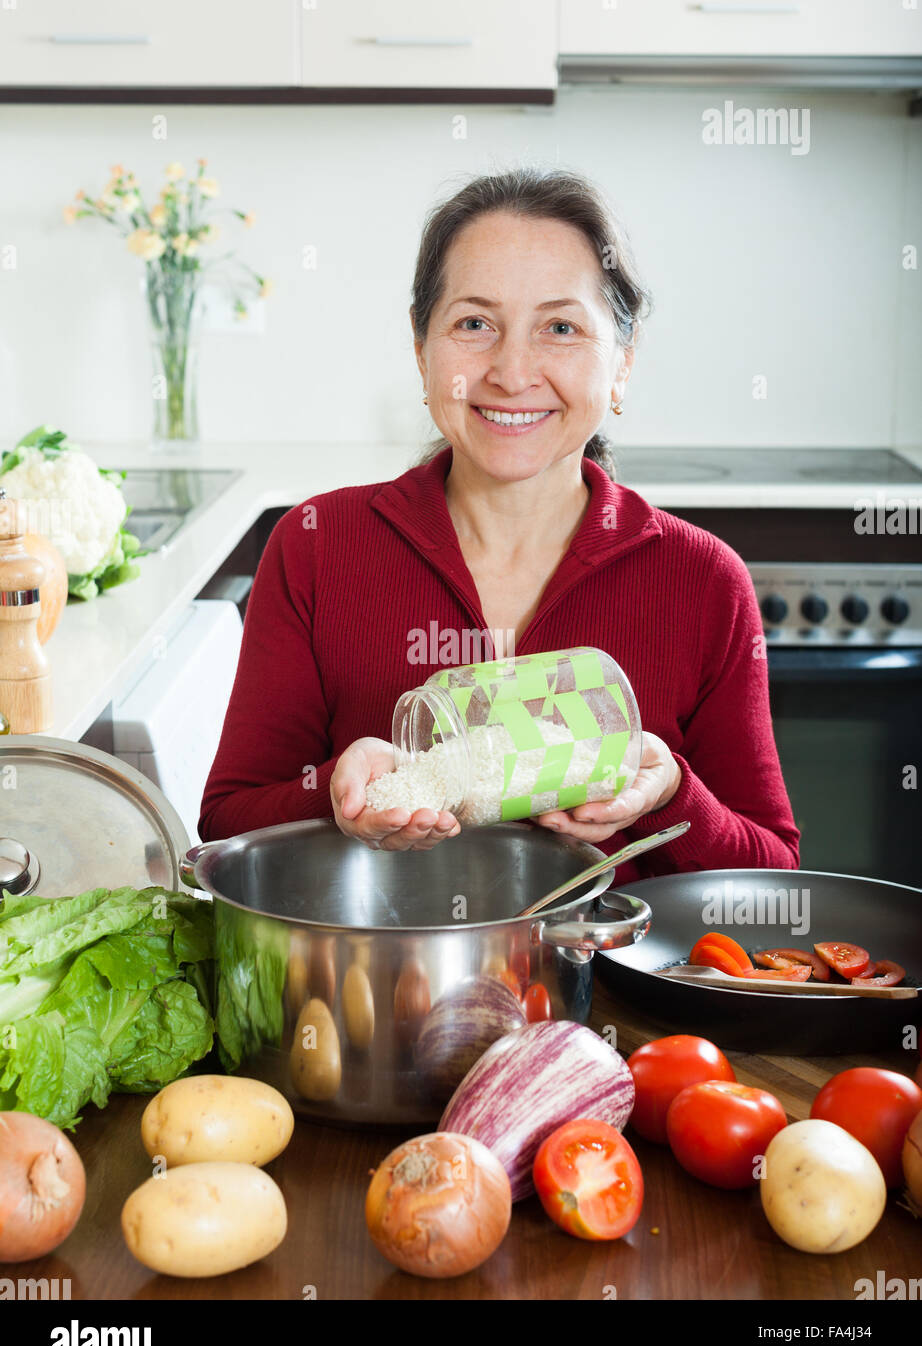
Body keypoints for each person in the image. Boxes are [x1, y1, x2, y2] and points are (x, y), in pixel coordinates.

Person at [199, 167, 799, 885]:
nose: (513, 373)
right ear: (423, 352)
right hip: (378, 984)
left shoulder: (703, 581)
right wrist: (335, 789)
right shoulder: (319, 545)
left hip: (606, 992)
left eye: (561, 328)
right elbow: (226, 822)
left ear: (622, 367)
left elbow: (772, 872)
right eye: (475, 324)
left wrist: (671, 794)